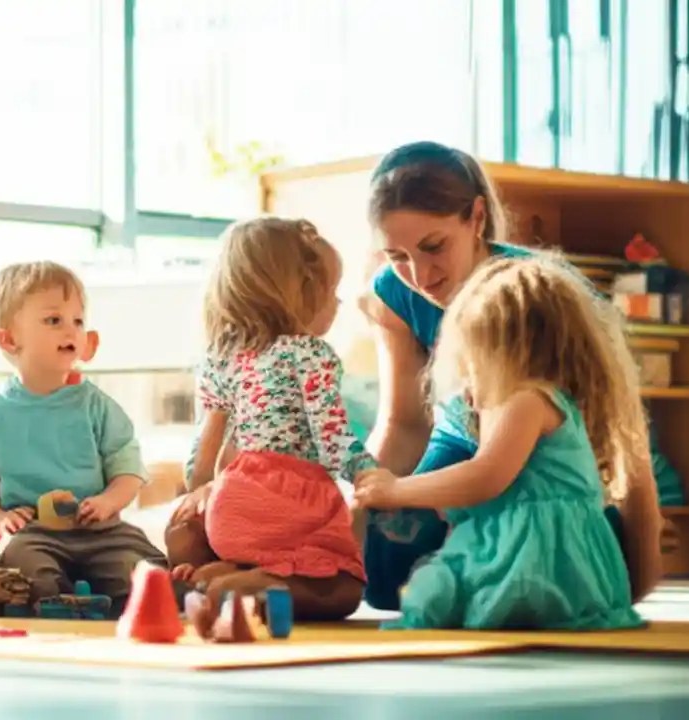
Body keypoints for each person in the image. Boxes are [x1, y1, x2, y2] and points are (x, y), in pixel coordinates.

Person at [359, 140, 662, 609]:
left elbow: (621, 422)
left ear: (476, 217)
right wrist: (367, 499)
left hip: (552, 466)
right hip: (463, 442)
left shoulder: (543, 293)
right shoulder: (393, 294)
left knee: (567, 576)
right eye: (397, 256)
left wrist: (642, 558)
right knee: (383, 573)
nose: (419, 275)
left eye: (433, 247)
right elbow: (402, 422)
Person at [355, 258, 645, 629]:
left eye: (473, 364)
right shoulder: (527, 399)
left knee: (456, 599)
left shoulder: (527, 399)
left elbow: (486, 475)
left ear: (511, 352)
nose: (468, 382)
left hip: (543, 557)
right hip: (519, 543)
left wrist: (398, 489)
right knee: (433, 592)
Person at [165, 217, 372, 619]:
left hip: (232, 502)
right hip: (290, 501)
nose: (338, 304)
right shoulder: (311, 354)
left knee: (236, 542)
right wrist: (369, 475)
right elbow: (332, 438)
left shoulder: (220, 359)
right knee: (344, 586)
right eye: (332, 291)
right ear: (303, 293)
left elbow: (200, 456)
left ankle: (222, 573)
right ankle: (257, 586)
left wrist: (202, 491)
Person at [0, 261, 166, 612]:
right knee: (23, 563)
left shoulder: (99, 407)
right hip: (35, 531)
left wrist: (108, 502)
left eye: (78, 321)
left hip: (102, 529)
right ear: (9, 339)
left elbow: (128, 467)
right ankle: (58, 600)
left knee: (139, 568)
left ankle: (118, 601)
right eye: (54, 320)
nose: (70, 330)